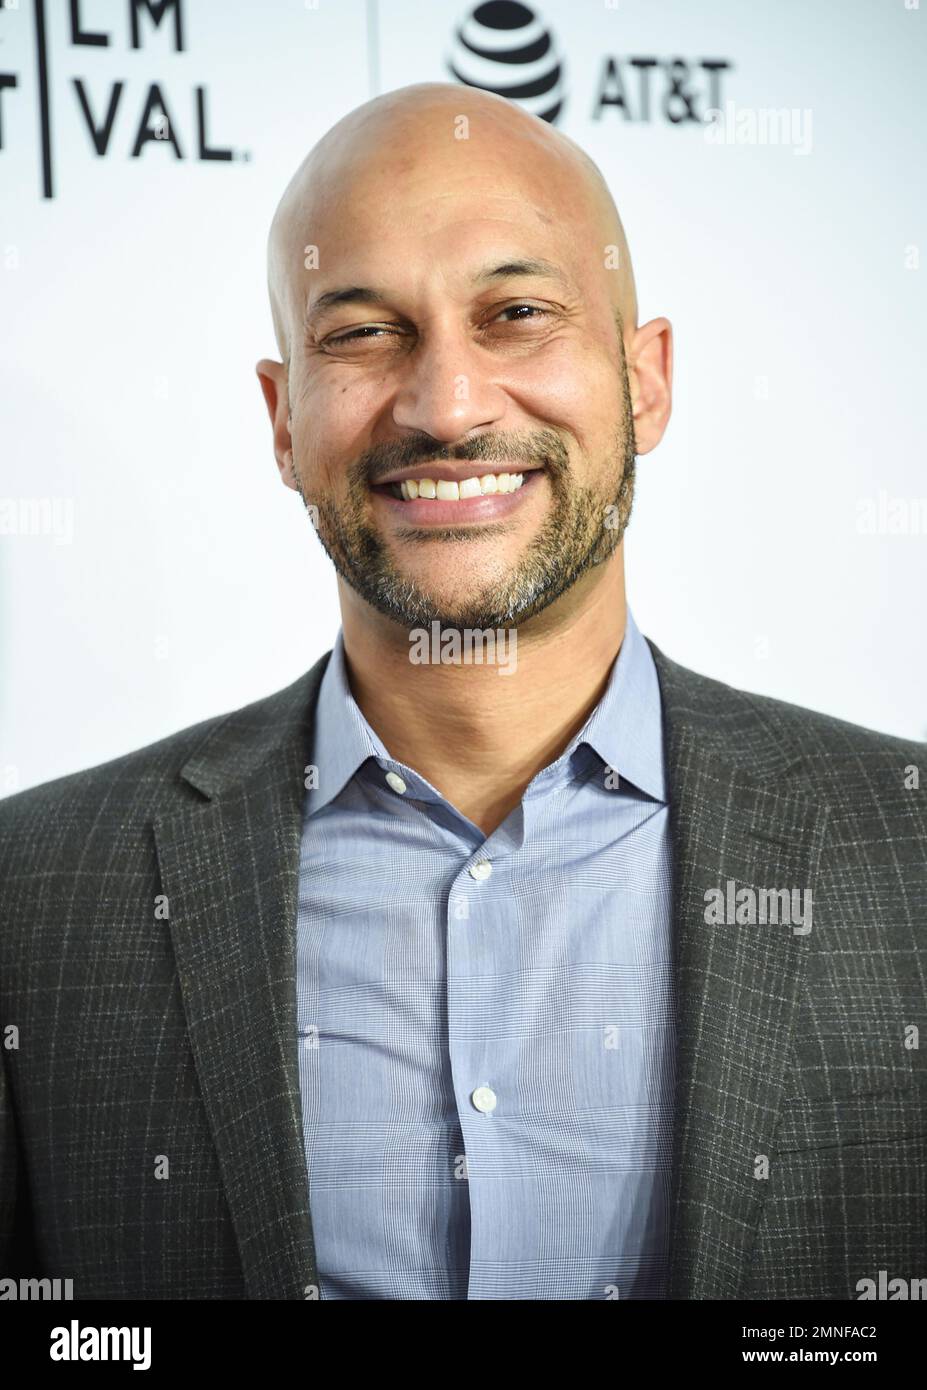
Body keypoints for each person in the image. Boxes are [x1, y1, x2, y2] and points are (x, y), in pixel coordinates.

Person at [1, 83, 924, 1302]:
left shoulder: (905, 850)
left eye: (519, 313)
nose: (446, 407)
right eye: (364, 333)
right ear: (284, 423)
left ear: (643, 381)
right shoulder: (38, 892)